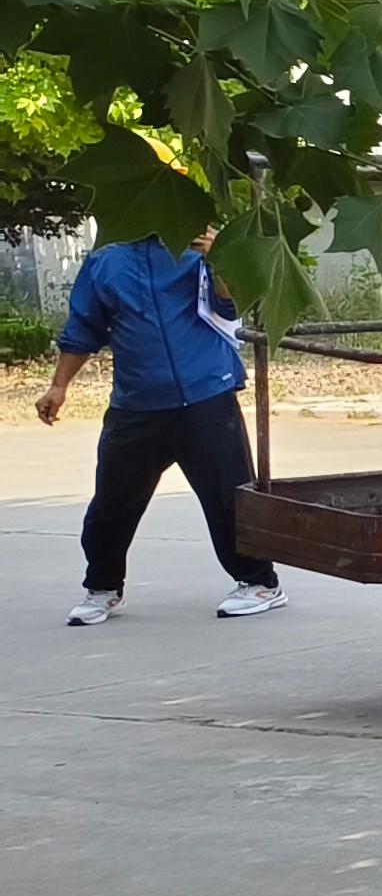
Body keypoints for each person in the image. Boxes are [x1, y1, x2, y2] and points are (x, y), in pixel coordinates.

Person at [34, 225, 285, 623]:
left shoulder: (197, 245)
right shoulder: (106, 258)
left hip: (206, 395)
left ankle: (260, 583)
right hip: (137, 403)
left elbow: (229, 308)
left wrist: (219, 257)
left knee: (229, 498)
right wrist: (59, 385)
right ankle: (103, 588)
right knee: (111, 504)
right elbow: (84, 327)